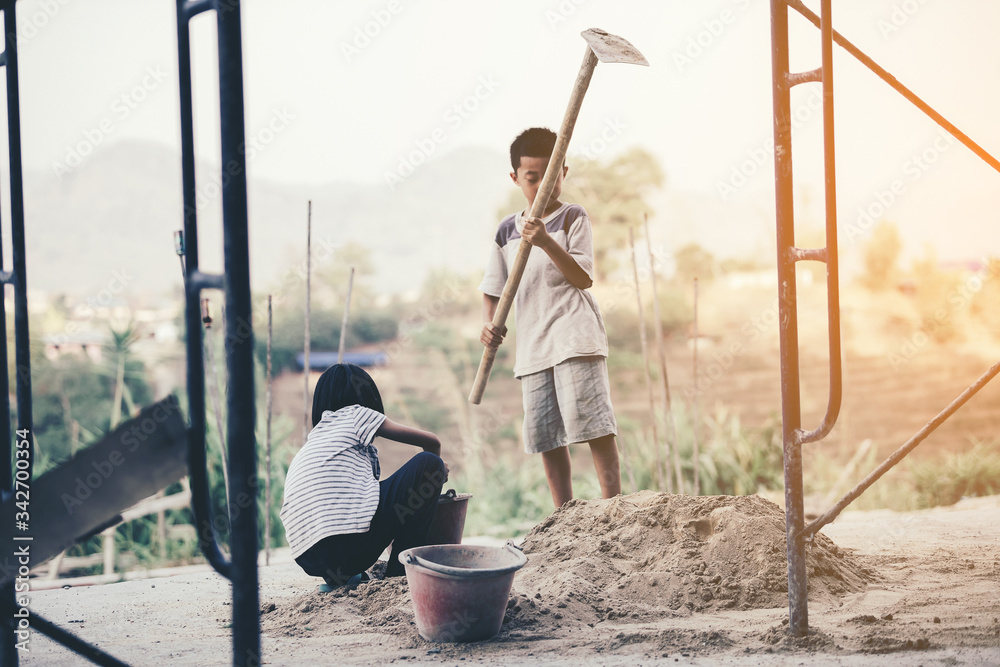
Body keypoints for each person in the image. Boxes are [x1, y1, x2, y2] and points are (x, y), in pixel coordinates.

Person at [479, 126, 621, 509]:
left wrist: (544, 241)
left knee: (594, 425)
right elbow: (493, 289)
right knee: (546, 436)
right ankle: (564, 514)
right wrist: (490, 324)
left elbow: (583, 277)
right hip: (533, 347)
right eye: (532, 177)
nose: (543, 184)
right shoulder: (506, 231)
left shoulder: (573, 216)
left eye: (552, 174)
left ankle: (614, 505)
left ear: (565, 172)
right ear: (515, 178)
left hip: (575, 338)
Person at [280, 363, 448, 587]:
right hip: (350, 545)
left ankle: (344, 577)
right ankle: (400, 574)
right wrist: (437, 474)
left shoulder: (312, 445)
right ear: (368, 398)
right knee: (428, 463)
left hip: (309, 558)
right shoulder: (355, 413)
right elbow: (431, 441)